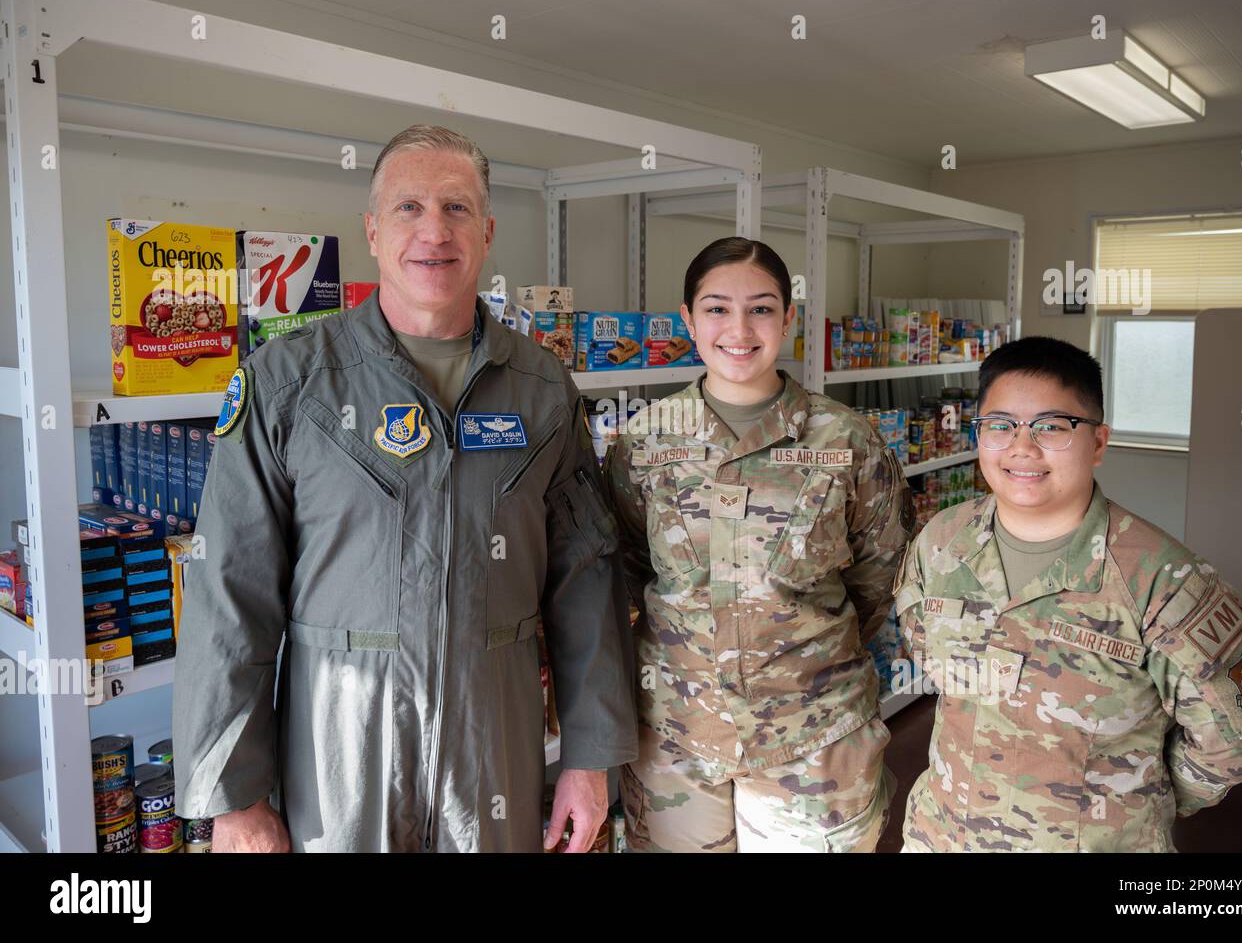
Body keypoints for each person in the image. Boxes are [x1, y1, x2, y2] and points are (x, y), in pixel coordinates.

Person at [173, 124, 637, 852]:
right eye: (408, 207)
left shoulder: (542, 389)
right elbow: (229, 591)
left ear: (485, 233)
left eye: (456, 209)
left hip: (494, 747)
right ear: (371, 230)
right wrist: (231, 795)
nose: (434, 230)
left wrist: (589, 752)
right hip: (338, 755)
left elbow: (585, 578)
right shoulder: (288, 383)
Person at [893, 336, 1242, 852]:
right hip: (941, 834)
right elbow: (924, 655)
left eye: (1052, 426)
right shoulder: (940, 542)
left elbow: (1233, 743)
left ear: (1098, 442)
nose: (1022, 448)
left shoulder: (1166, 583)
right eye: (999, 425)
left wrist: (1132, 799)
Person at [604, 237, 914, 852]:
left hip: (814, 737)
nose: (739, 329)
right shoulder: (643, 441)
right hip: (679, 736)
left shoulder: (847, 439)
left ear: (789, 318)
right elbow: (631, 566)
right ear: (687, 319)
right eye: (717, 308)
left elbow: (881, 578)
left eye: (762, 308)